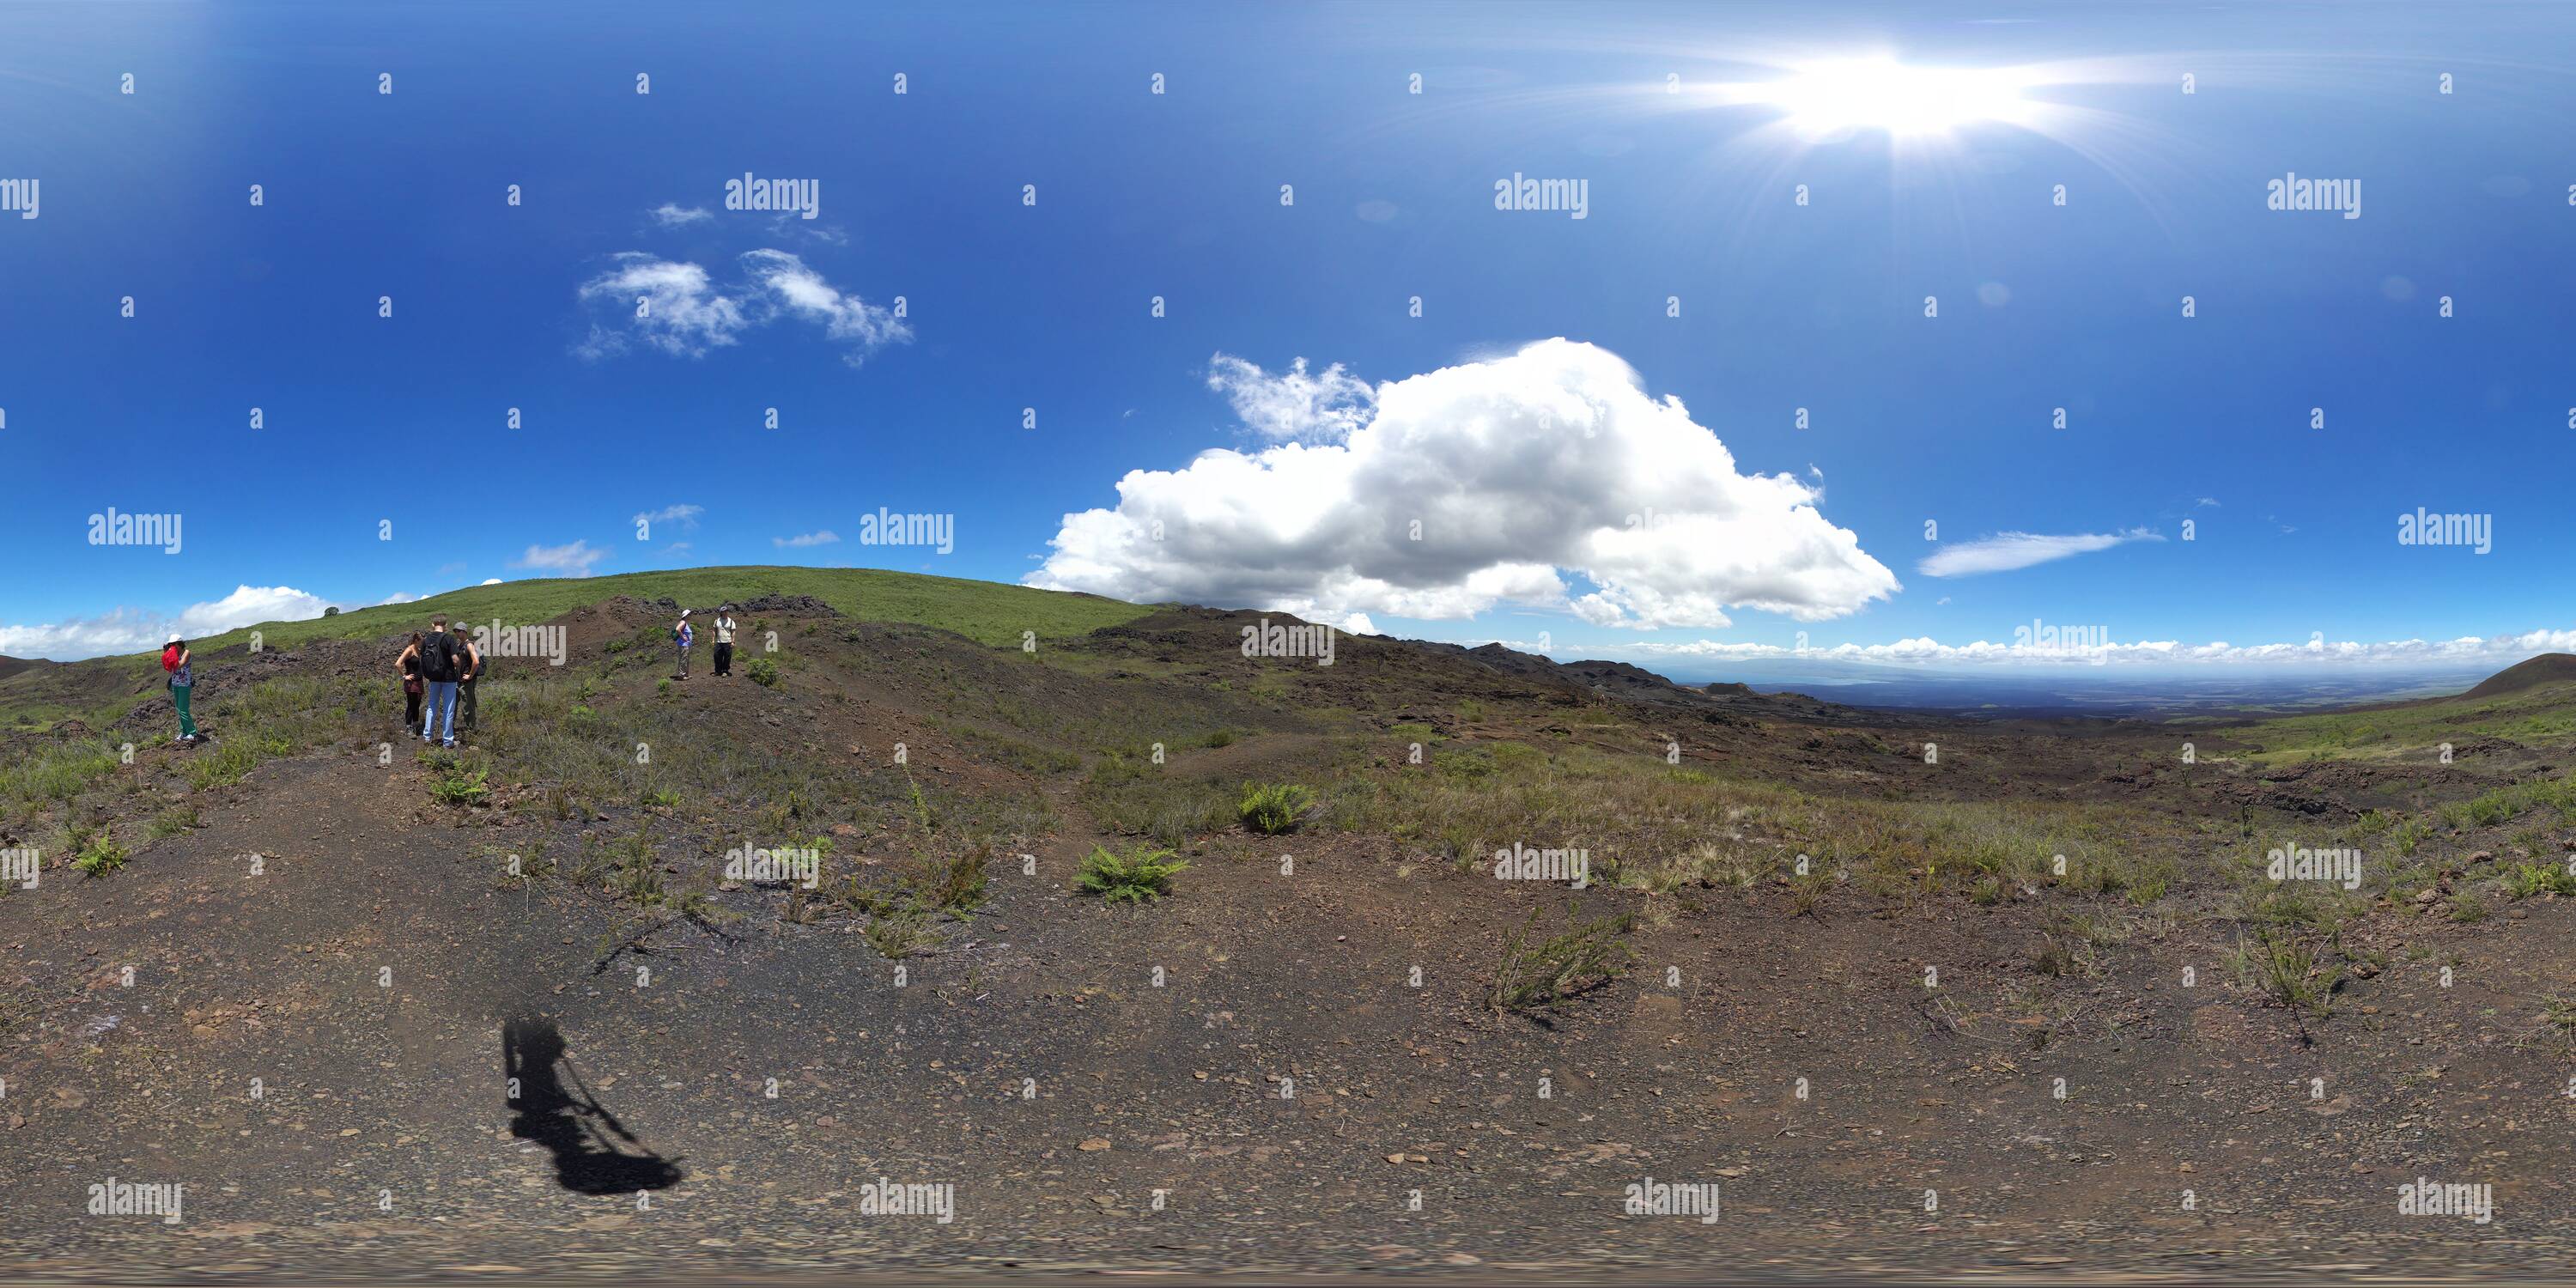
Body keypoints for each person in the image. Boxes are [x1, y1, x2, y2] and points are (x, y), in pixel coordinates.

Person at [417, 613, 465, 747]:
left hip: (433, 678)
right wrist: (460, 665)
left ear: (433, 625)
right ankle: (448, 741)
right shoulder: (449, 639)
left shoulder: (426, 640)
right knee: (448, 709)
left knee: (432, 707)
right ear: (446, 626)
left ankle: (427, 737)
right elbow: (455, 660)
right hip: (448, 678)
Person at [162, 633, 200, 744]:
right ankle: (183, 732)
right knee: (179, 710)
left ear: (179, 644)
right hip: (176, 684)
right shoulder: (174, 653)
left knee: (183, 710)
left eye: (174, 644)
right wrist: (167, 653)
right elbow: (169, 667)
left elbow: (179, 665)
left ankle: (192, 732)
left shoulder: (186, 653)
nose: (172, 647)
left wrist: (171, 654)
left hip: (184, 685)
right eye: (171, 645)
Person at [453, 622, 484, 732]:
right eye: (455, 631)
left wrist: (470, 676)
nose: (457, 633)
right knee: (457, 704)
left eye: (459, 631)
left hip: (466, 681)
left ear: (464, 631)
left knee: (468, 706)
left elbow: (476, 662)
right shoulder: (460, 645)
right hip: (459, 680)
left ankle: (471, 730)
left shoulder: (469, 645)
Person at [396, 633, 425, 732]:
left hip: (419, 682)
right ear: (416, 640)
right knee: (411, 704)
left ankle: (415, 724)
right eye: (421, 641)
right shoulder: (409, 650)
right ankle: (409, 727)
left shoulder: (418, 650)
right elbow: (398, 664)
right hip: (411, 683)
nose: (422, 643)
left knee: (417, 704)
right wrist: (405, 676)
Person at [712, 605, 737, 677]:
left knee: (727, 657)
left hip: (728, 642)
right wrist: (713, 639)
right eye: (723, 611)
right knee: (717, 656)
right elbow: (714, 630)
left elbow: (733, 632)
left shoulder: (731, 621)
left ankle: (725, 671)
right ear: (721, 612)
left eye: (726, 611)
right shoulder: (717, 621)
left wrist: (733, 641)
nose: (725, 613)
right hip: (719, 642)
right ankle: (718, 671)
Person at [673, 610, 693, 680]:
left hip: (685, 645)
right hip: (684, 645)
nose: (690, 616)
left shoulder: (684, 622)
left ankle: (685, 674)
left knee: (685, 659)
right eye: (689, 614)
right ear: (686, 615)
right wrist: (683, 637)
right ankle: (682, 675)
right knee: (684, 659)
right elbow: (678, 629)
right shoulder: (683, 622)